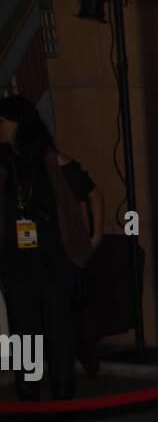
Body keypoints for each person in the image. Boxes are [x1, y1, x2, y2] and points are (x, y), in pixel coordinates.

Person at [0, 94, 103, 400]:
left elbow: (93, 194)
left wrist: (94, 237)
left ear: (20, 124)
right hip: (14, 260)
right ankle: (28, 389)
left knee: (58, 324)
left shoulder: (52, 159)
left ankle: (62, 387)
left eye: (2, 121)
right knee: (23, 328)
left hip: (55, 259)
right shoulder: (3, 162)